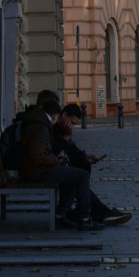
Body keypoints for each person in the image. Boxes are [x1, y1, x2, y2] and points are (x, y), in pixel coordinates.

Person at [18, 98, 100, 231]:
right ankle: (85, 219)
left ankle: (60, 215)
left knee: (74, 174)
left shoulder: (38, 123)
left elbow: (46, 152)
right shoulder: (41, 127)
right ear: (56, 116)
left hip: (35, 168)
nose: (72, 126)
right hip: (36, 171)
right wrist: (56, 160)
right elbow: (37, 157)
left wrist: (64, 159)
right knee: (82, 176)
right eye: (71, 122)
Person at [53, 104, 132, 226]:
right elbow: (55, 150)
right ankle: (95, 214)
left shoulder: (61, 128)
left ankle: (98, 212)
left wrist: (85, 157)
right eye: (72, 123)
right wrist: (67, 137)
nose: (72, 127)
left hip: (53, 167)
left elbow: (72, 149)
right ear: (63, 115)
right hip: (45, 170)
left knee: (80, 172)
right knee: (79, 176)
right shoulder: (55, 129)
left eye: (74, 124)